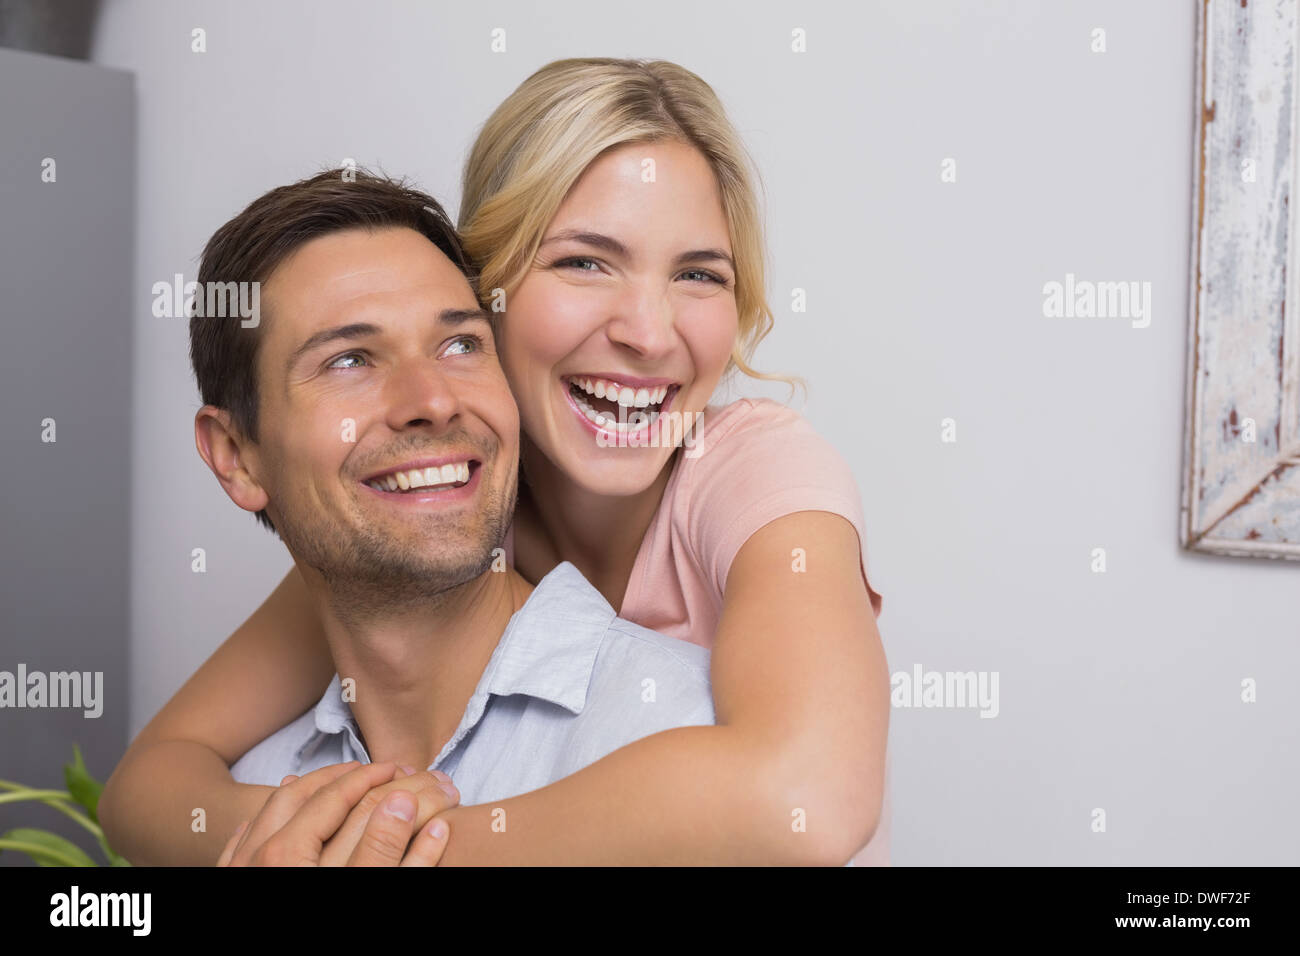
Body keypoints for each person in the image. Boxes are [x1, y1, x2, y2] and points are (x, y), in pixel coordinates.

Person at [100, 57, 890, 866]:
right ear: (488, 288)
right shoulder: (433, 505)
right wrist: (296, 840)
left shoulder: (751, 472)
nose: (649, 334)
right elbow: (148, 786)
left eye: (699, 274)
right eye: (584, 262)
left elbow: (807, 796)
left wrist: (402, 848)